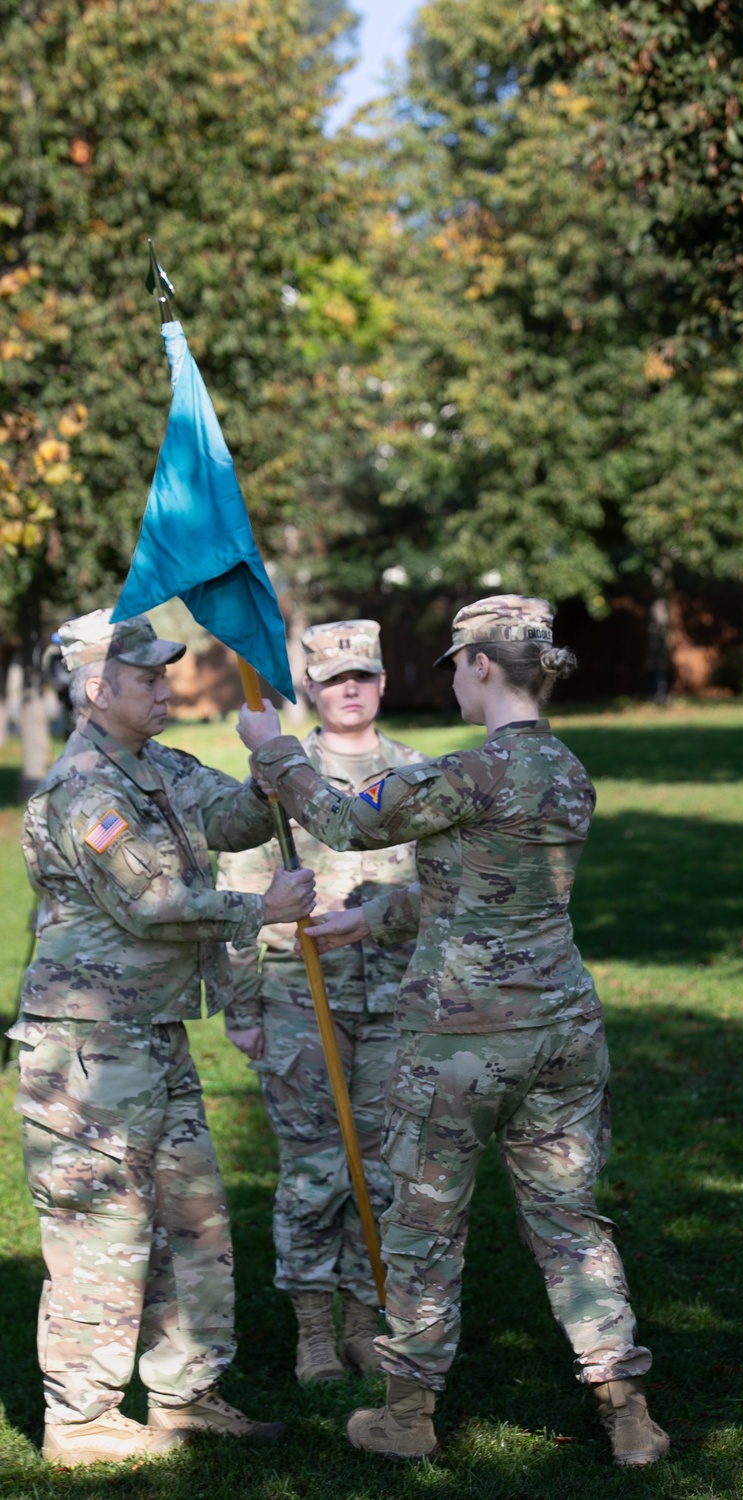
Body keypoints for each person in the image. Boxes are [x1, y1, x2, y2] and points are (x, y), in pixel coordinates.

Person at [236, 595, 669, 1468]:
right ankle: (629, 1414)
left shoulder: (470, 771)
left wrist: (273, 751)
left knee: (426, 1229)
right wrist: (382, 916)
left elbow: (347, 822)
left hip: (460, 1040)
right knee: (572, 1226)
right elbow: (493, 892)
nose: (455, 684)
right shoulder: (568, 770)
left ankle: (406, 1418)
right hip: (561, 1030)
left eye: (455, 667)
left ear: (479, 666)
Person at [9, 609, 315, 1467]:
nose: (166, 688)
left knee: (195, 1222)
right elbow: (148, 905)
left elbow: (234, 821)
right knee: (101, 1231)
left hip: (153, 1036)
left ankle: (187, 1394)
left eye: (164, 673)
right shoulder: (83, 791)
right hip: (87, 1053)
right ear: (97, 688)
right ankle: (82, 1418)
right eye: (147, 677)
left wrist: (269, 767)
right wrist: (261, 908)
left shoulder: (158, 767)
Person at [217, 620, 423, 1381]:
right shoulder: (280, 771)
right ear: (307, 686)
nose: (349, 689)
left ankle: (366, 1318)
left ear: (382, 682)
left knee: (382, 1168)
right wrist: (241, 1009)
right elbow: (238, 887)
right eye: (334, 677)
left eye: (362, 675)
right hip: (299, 998)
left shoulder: (418, 771)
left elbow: (442, 885)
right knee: (312, 1168)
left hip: (396, 1000)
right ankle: (311, 1326)